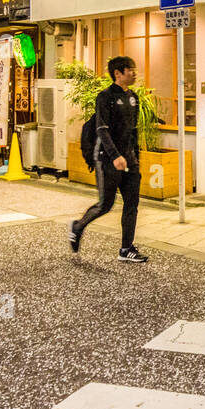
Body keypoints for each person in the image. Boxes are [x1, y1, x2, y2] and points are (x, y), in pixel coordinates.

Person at [69, 56, 146, 263]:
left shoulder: (134, 98)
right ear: (117, 73)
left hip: (129, 160)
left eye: (134, 68)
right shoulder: (105, 97)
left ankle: (126, 249)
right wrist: (115, 156)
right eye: (130, 69)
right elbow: (101, 130)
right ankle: (78, 226)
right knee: (105, 204)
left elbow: (133, 130)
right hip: (106, 159)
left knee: (132, 204)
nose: (134, 72)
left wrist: (134, 156)